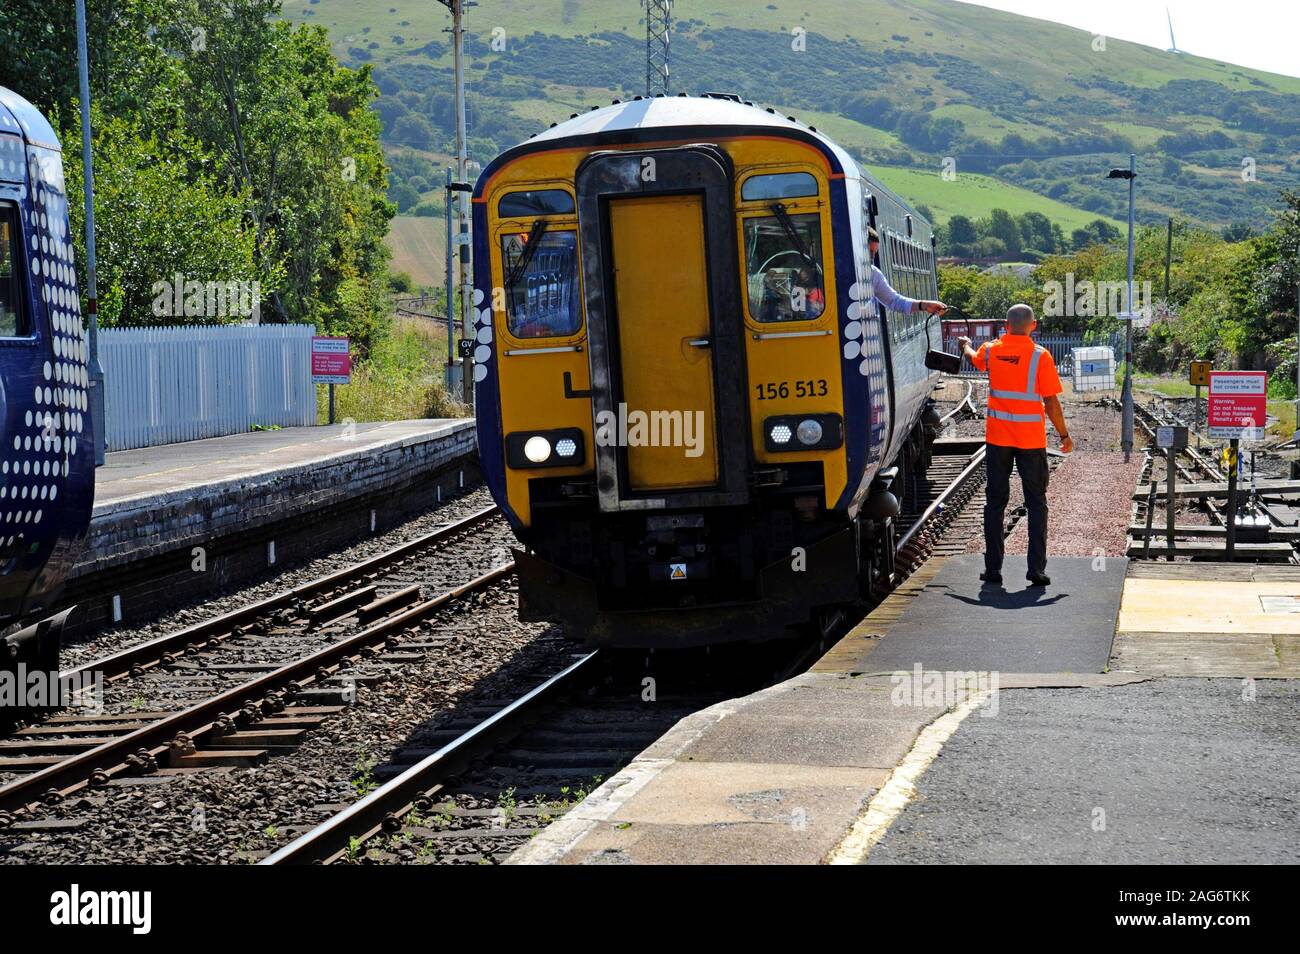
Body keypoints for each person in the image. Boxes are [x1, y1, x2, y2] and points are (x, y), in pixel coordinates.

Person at [958, 304, 1073, 588]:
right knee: (1036, 504)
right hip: (1031, 441)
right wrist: (1064, 435)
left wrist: (966, 346)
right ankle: (1036, 570)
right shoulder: (1040, 357)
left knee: (995, 503)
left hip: (998, 439)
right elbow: (1051, 402)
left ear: (1006, 325)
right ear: (1032, 325)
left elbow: (976, 359)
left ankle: (993, 569)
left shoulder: (992, 349)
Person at [866, 227, 946, 316]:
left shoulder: (873, 274)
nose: (872, 257)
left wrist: (924, 305)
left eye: (874, 252)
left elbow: (894, 301)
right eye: (870, 251)